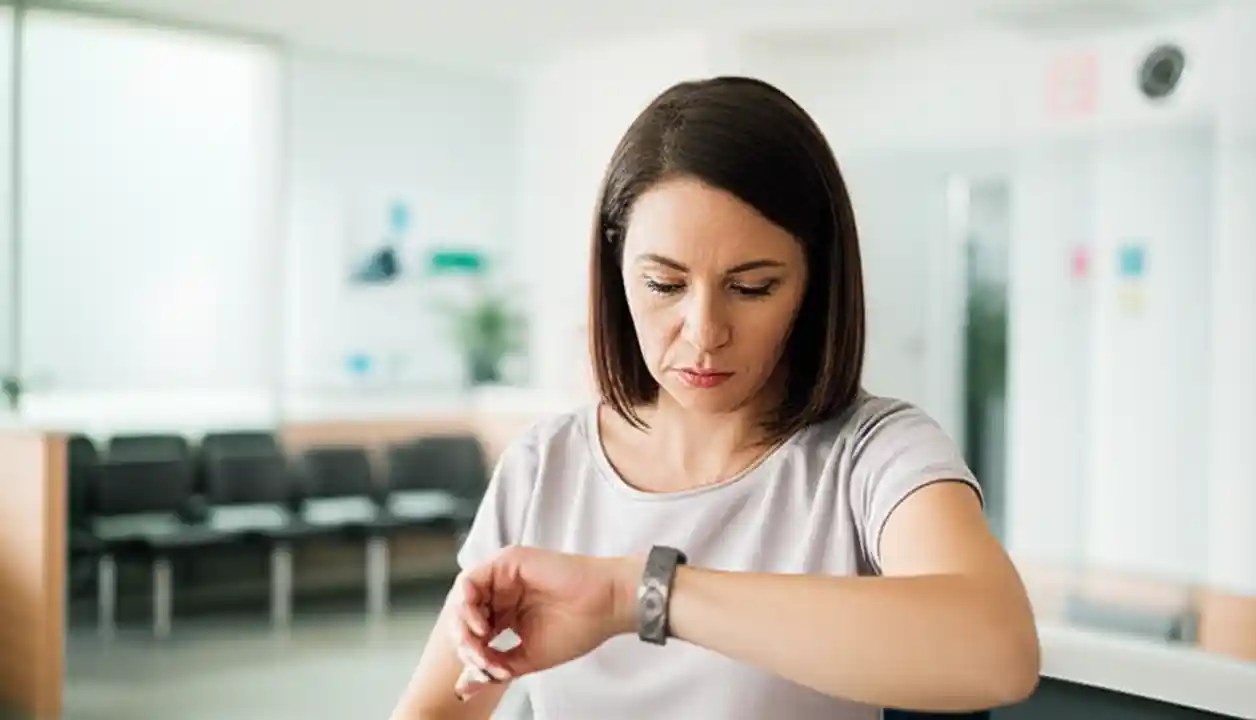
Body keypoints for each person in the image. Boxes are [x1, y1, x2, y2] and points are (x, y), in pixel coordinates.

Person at [391, 76, 1040, 720]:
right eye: (664, 284)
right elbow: (436, 711)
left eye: (753, 287)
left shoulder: (873, 456)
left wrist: (638, 594)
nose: (705, 332)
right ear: (618, 275)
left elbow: (996, 653)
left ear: (812, 283)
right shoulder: (545, 464)